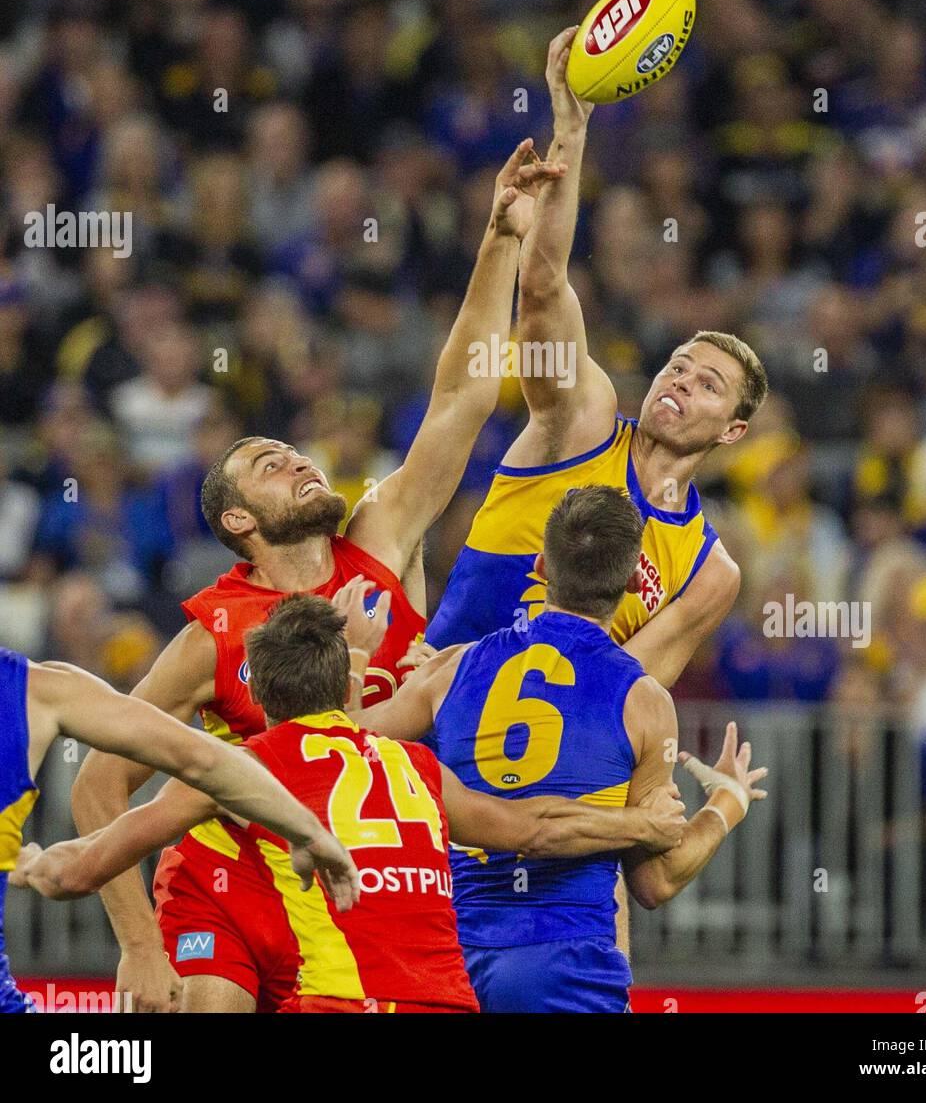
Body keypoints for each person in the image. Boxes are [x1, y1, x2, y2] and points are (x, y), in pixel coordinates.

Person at [70, 141, 567, 1013]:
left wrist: (499, 238)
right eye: (269, 463)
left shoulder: (383, 536)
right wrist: (139, 948)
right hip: (225, 885)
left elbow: (463, 396)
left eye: (295, 451)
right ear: (237, 522)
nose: (298, 460)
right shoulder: (211, 635)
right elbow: (99, 783)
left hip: (354, 891)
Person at [17, 595, 688, 1014]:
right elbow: (532, 829)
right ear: (349, 681)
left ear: (263, 701)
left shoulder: (245, 770)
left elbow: (92, 864)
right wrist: (641, 823)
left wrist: (49, 865)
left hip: (342, 999)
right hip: (447, 1003)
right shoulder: (418, 766)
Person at [427, 31, 767, 697]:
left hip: (543, 775)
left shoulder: (710, 572)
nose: (680, 381)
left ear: (734, 431)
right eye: (678, 366)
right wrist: (572, 132)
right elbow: (546, 283)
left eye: (708, 384)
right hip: (429, 729)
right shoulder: (582, 422)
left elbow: (628, 697)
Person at [351, 485, 768, 1012]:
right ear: (638, 579)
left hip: (450, 954)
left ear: (541, 565)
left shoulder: (449, 668)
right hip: (568, 960)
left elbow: (342, 745)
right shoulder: (644, 702)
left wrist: (357, 657)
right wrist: (726, 803)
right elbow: (655, 880)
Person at [1, 645, 358, 1015]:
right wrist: (307, 831)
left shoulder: (37, 689)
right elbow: (206, 762)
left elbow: (206, 764)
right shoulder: (37, 690)